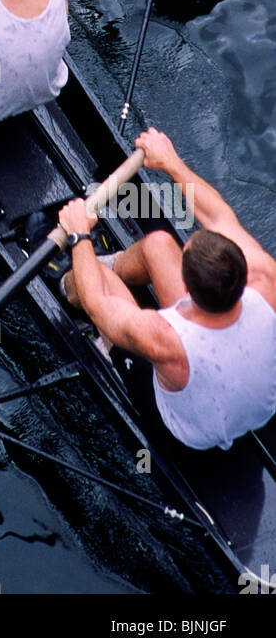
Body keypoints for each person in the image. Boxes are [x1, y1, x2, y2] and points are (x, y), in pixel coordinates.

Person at [58, 127, 276, 451]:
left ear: (186, 288)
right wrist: (171, 162)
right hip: (250, 403)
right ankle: (108, 260)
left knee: (98, 282)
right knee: (159, 243)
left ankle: (64, 283)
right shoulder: (266, 278)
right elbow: (218, 217)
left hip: (187, 433)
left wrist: (79, 236)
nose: (185, 242)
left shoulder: (165, 340)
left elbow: (97, 302)